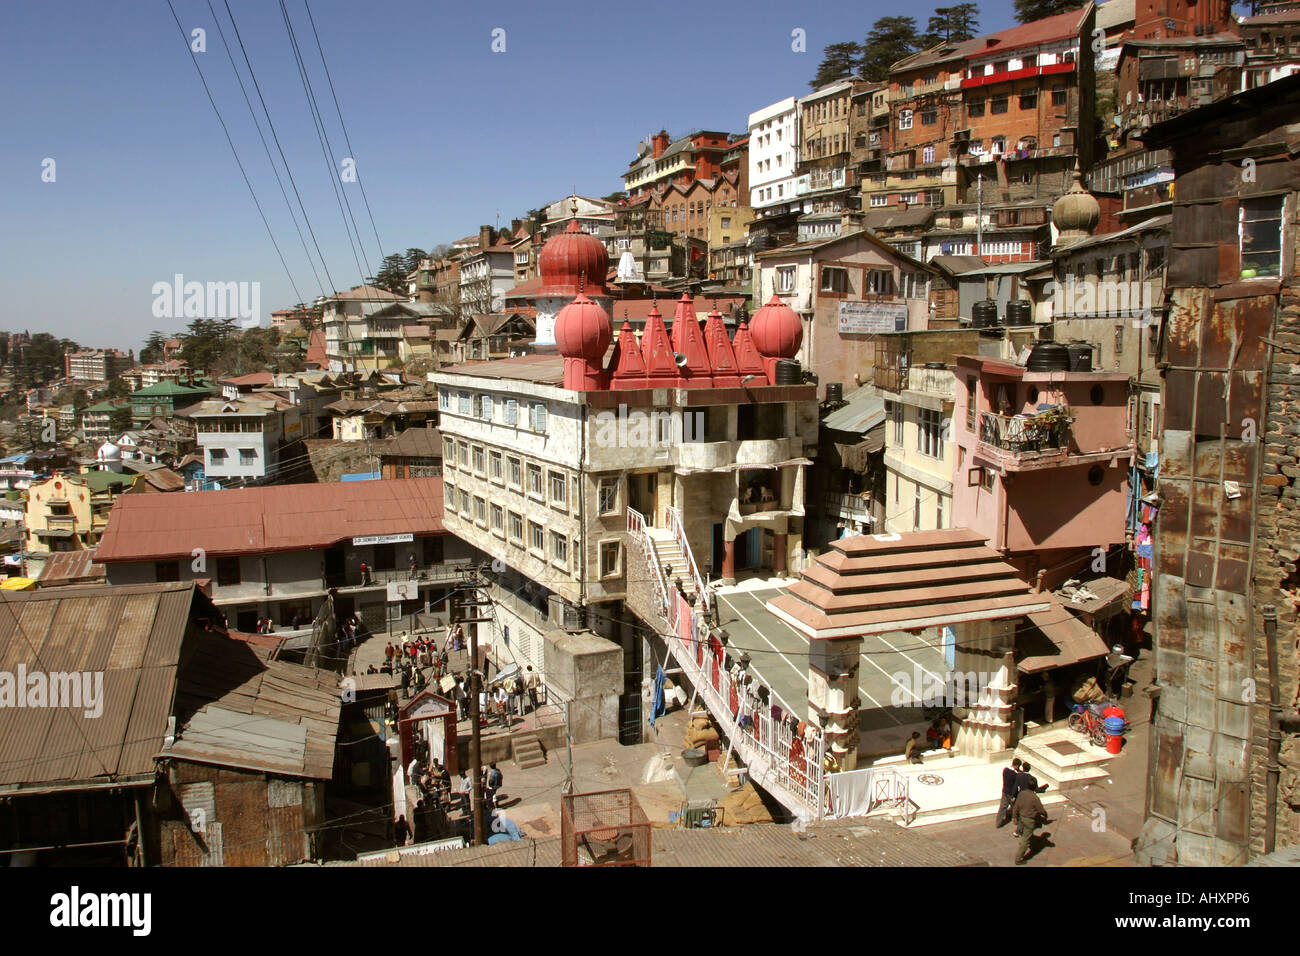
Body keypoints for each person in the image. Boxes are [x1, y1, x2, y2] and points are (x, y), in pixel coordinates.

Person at [1012, 785, 1049, 865]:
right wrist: (1045, 814)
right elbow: (1040, 809)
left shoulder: (1022, 793)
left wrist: (1014, 816)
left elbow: (1016, 805)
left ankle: (1030, 842)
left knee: (1027, 834)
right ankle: (1018, 859)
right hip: (1029, 820)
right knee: (1026, 840)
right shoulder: (1035, 798)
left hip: (1021, 818)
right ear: (1035, 787)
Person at [996, 758, 1023, 828]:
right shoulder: (1015, 775)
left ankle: (998, 823)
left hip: (1004, 791)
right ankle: (1016, 820)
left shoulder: (1005, 770)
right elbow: (1017, 782)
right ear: (1016, 766)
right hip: (1011, 793)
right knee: (1015, 807)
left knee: (1002, 807)